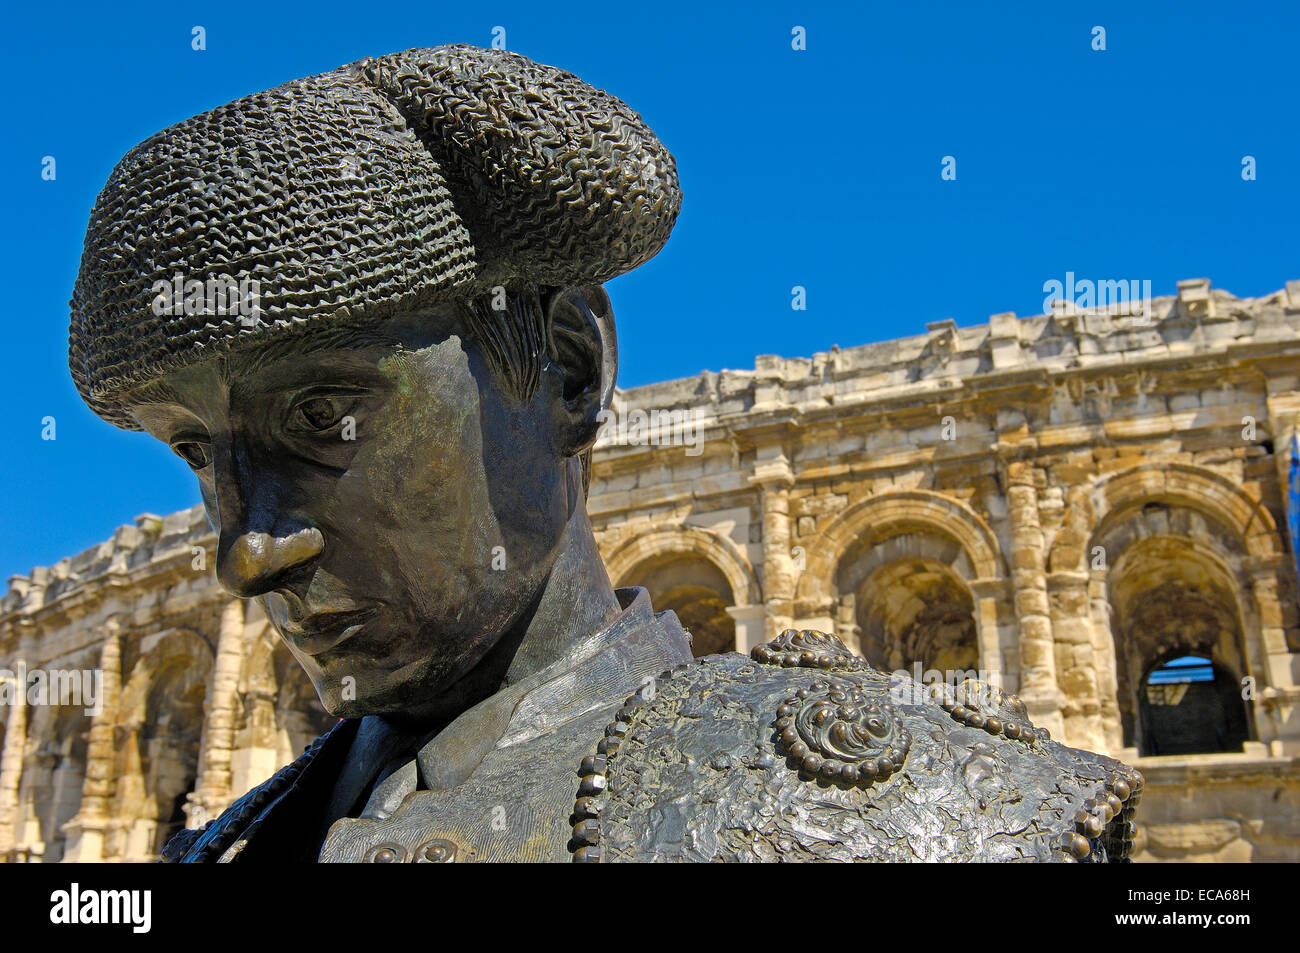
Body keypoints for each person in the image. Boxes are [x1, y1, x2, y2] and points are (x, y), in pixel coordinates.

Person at [70, 44, 1140, 862]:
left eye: (321, 415)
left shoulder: (943, 826)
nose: (243, 549)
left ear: (571, 373)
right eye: (196, 450)